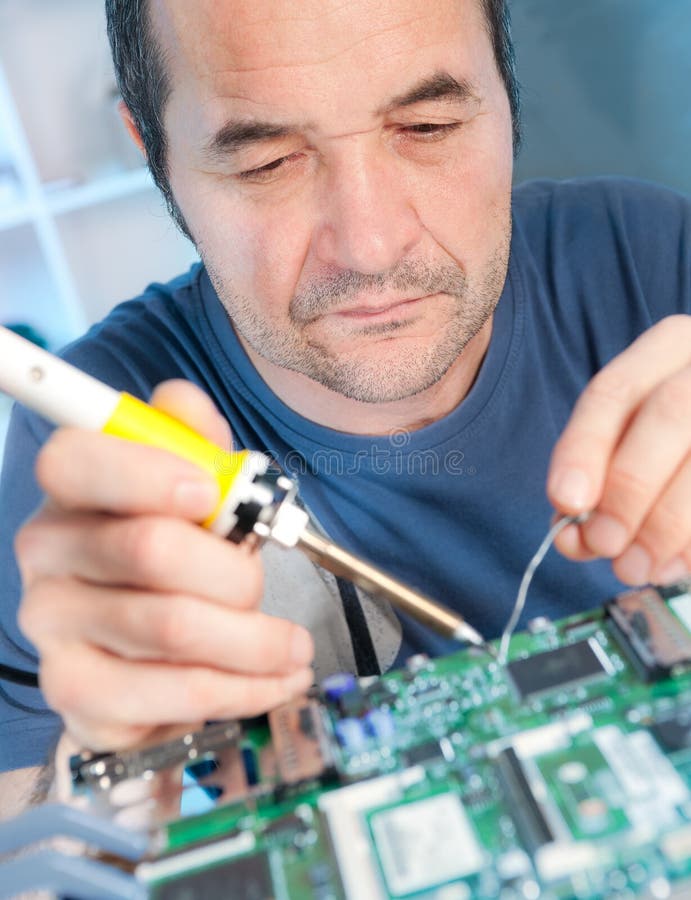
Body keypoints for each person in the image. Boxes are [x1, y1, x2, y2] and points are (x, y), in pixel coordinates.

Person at [1, 0, 690, 803]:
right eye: (266, 163)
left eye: (427, 127)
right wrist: (107, 774)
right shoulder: (85, 445)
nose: (369, 246)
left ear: (506, 95)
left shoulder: (646, 258)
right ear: (156, 157)